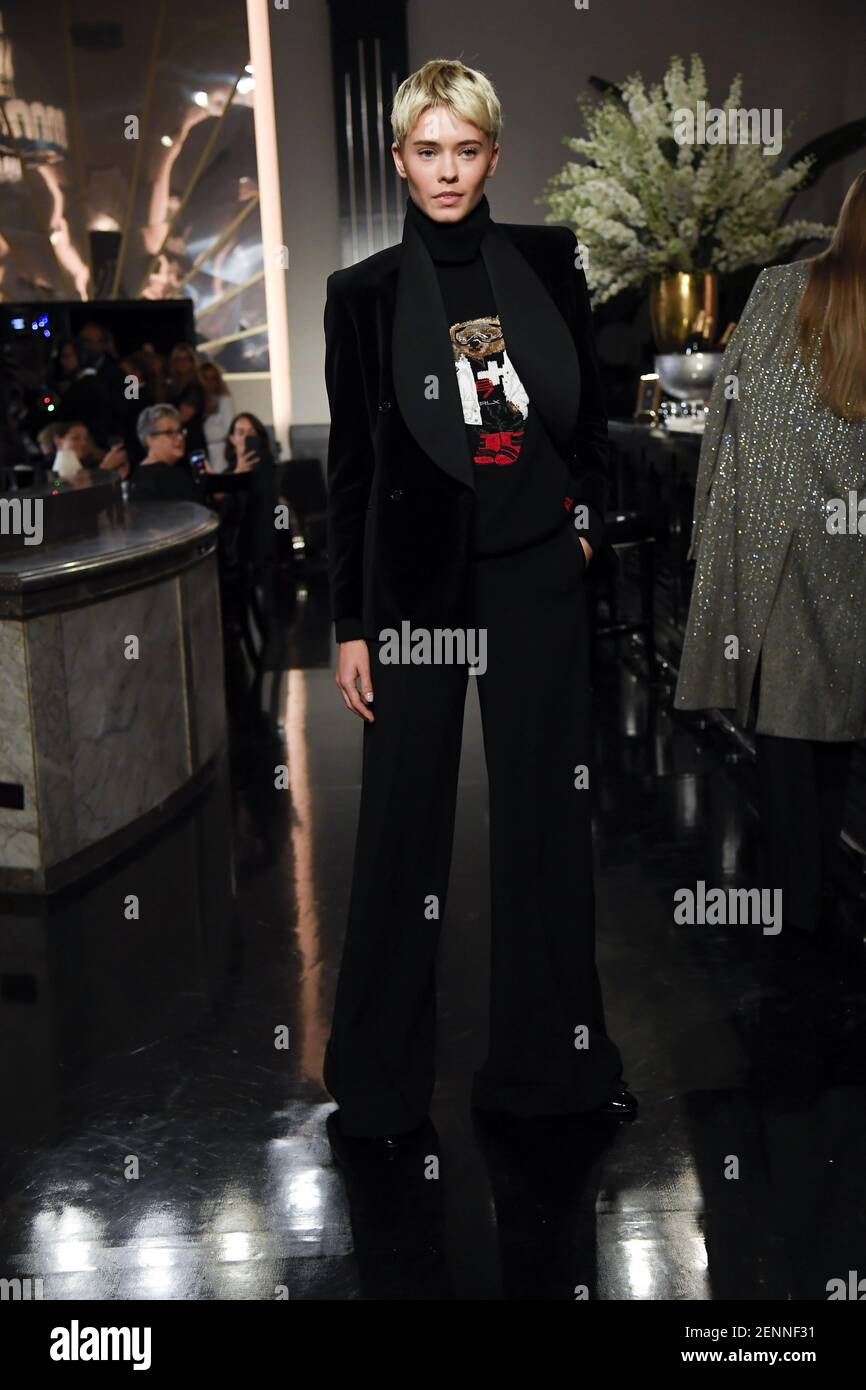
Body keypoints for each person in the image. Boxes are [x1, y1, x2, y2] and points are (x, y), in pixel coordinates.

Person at [322, 59, 636, 1147]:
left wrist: (584, 525)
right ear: (399, 158)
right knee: (400, 826)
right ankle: (376, 1079)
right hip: (413, 590)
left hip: (534, 571)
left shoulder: (549, 262)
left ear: (492, 156)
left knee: (545, 818)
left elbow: (586, 420)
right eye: (426, 150)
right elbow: (352, 474)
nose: (446, 170)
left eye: (465, 149)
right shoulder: (358, 295)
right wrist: (349, 622)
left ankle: (552, 1067)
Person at [675, 169, 866, 947]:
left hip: (781, 545)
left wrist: (710, 537)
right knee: (839, 731)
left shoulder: (783, 288)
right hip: (853, 551)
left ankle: (801, 913)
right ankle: (820, 902)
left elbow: (730, 417)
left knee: (789, 738)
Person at [129, 404, 203, 502]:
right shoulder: (173, 477)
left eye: (180, 431)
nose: (180, 437)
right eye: (169, 433)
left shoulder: (138, 474)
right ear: (150, 439)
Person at [166, 342, 207, 459]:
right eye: (178, 359)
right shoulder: (172, 386)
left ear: (192, 361)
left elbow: (184, 416)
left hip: (192, 439)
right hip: (177, 439)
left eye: (186, 359)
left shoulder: (196, 386)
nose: (182, 363)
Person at [53, 419, 129, 478]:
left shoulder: (91, 463)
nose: (83, 443)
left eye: (86, 439)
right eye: (75, 438)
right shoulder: (49, 468)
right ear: (58, 441)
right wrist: (106, 468)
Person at [200, 361, 235, 472]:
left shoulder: (224, 400)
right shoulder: (198, 401)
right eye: (206, 378)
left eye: (213, 378)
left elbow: (227, 428)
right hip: (201, 450)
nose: (210, 383)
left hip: (218, 450)